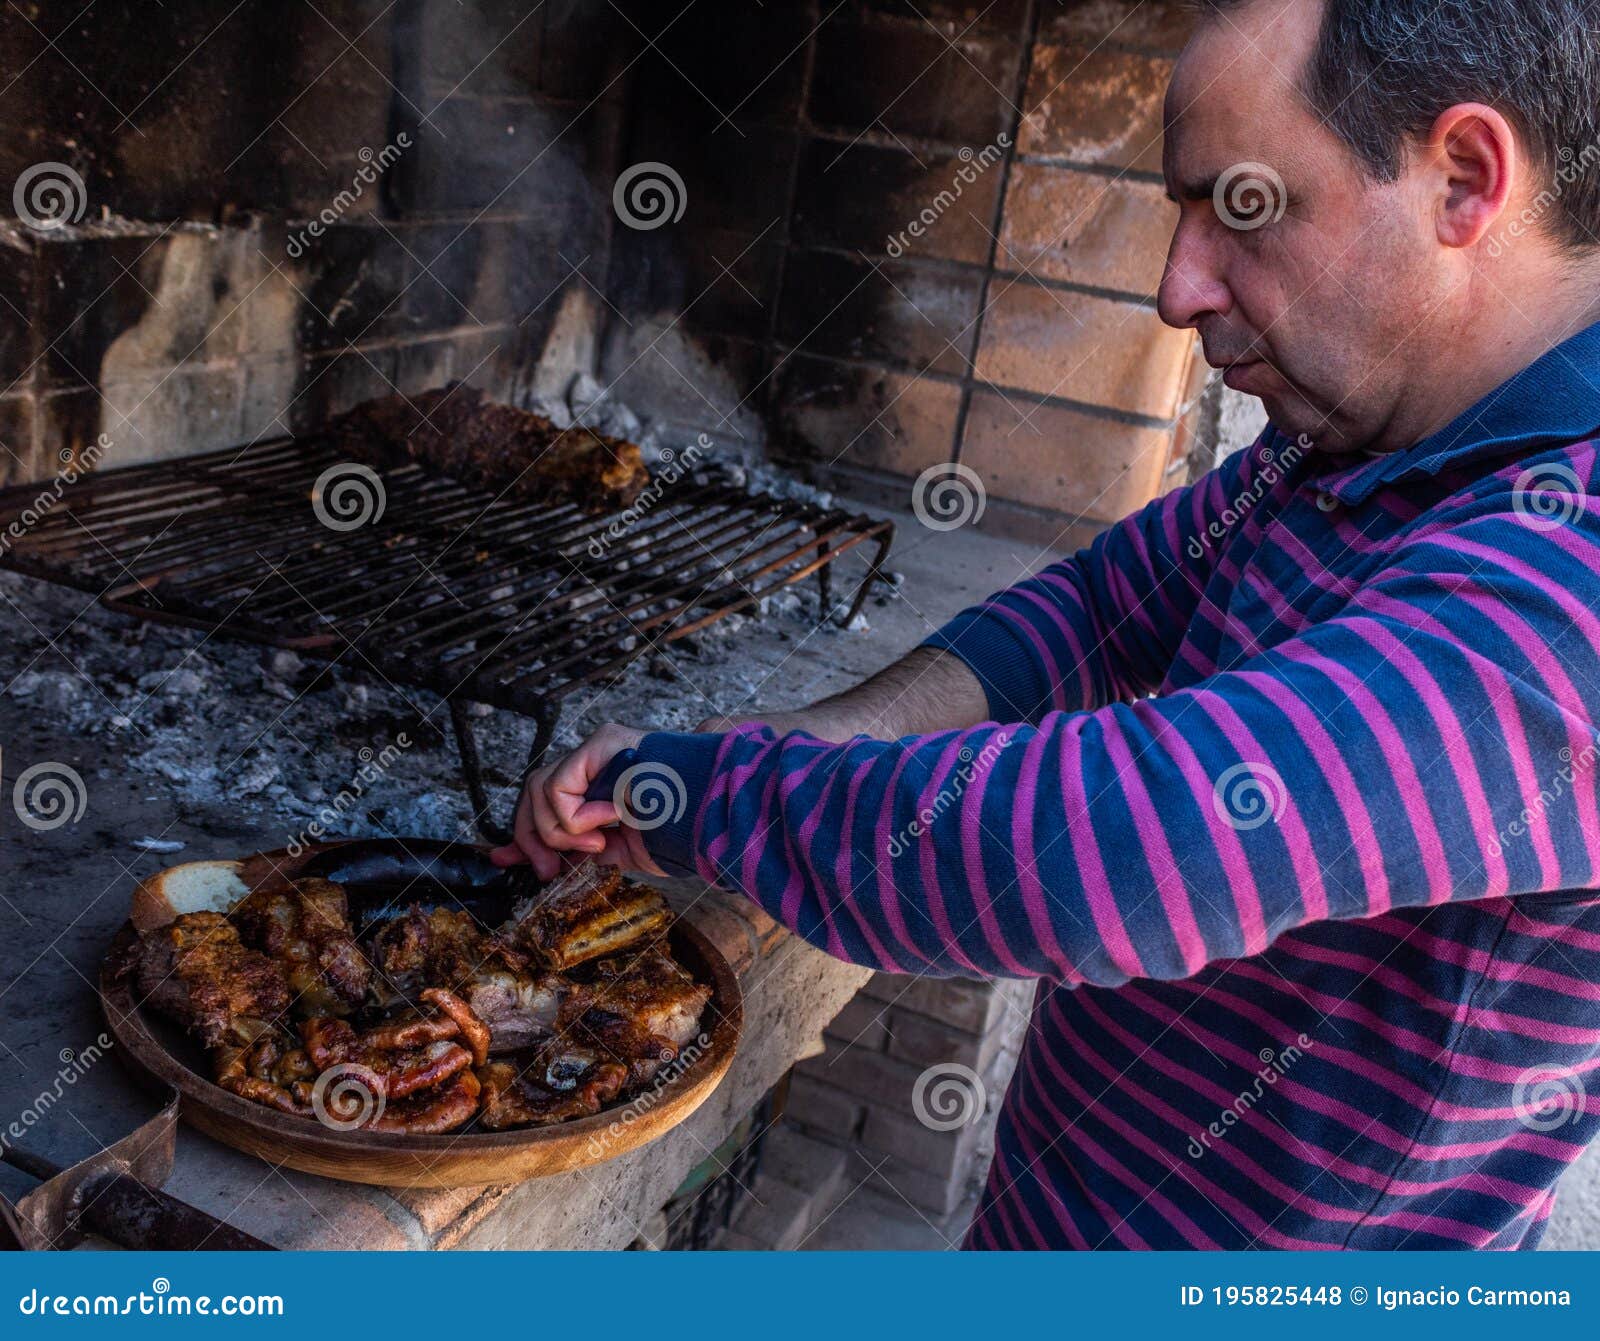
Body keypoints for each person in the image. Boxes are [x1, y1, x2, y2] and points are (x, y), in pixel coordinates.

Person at [494, 0, 1600, 1249]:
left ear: (1462, 178)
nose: (1177, 291)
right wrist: (826, 733)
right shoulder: (1347, 441)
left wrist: (705, 797)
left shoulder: (1571, 565)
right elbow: (1094, 612)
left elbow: (1134, 850)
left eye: (1238, 208)